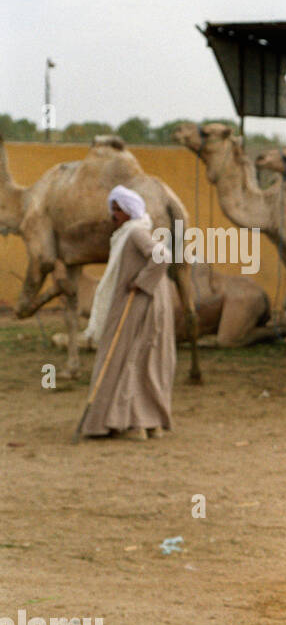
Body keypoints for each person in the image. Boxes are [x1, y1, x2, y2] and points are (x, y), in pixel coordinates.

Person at [76, 186, 176, 440]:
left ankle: (129, 422)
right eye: (113, 209)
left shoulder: (135, 233)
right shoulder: (131, 233)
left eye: (119, 209)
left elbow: (162, 257)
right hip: (145, 300)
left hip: (139, 303)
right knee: (142, 360)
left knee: (126, 357)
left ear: (130, 210)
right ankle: (146, 422)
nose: (114, 215)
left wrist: (140, 282)